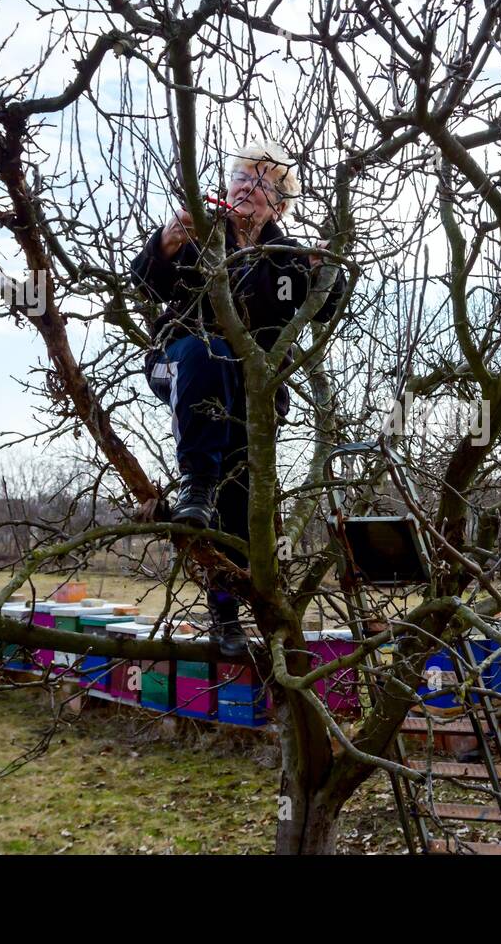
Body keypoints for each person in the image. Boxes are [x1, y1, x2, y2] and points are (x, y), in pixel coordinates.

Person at [130, 140, 347, 655]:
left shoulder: (285, 256)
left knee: (243, 487)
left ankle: (228, 614)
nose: (247, 187)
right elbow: (146, 282)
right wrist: (165, 243)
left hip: (251, 390)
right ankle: (196, 482)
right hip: (178, 365)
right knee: (205, 357)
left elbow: (323, 308)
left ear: (281, 204)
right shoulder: (199, 235)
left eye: (263, 182)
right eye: (240, 177)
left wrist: (324, 272)